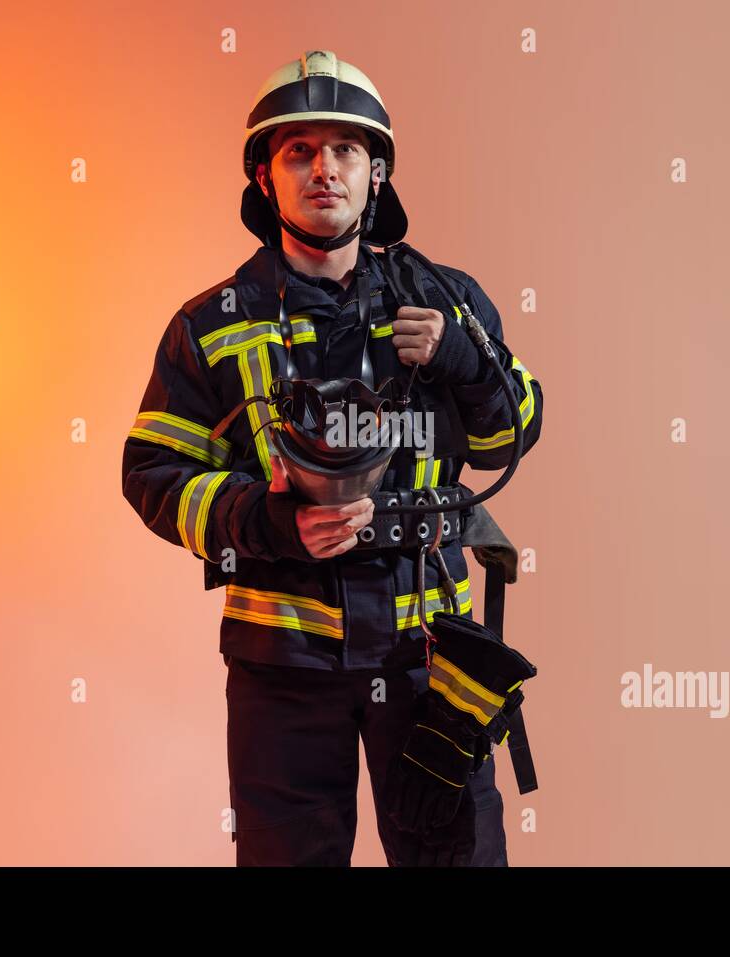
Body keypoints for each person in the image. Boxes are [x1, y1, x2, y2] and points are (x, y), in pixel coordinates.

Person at [122, 50, 543, 865]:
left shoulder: (448, 302)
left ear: (377, 172)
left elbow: (509, 439)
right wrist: (269, 521)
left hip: (427, 654)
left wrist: (462, 356)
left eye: (347, 150)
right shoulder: (212, 324)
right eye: (299, 151)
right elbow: (151, 475)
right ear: (264, 175)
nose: (325, 170)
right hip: (283, 660)